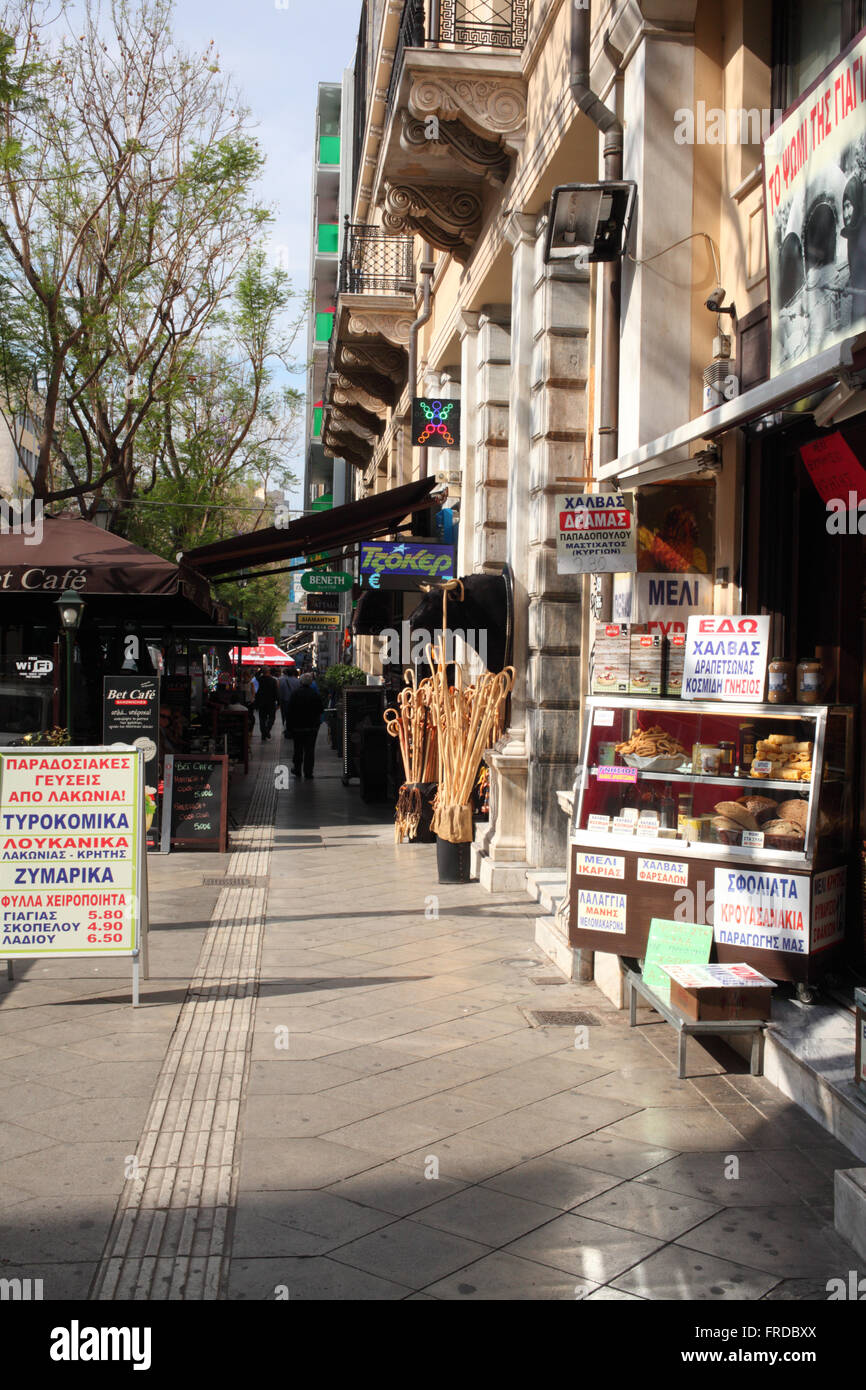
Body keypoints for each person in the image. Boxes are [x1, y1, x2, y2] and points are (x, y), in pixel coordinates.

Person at [286, 672, 324, 778]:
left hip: (297, 727)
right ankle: (308, 771)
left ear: (301, 682)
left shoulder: (295, 694)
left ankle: (297, 769)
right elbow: (320, 709)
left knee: (297, 749)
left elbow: (289, 711)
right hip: (311, 728)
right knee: (309, 750)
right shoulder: (314, 694)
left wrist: (289, 727)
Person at [253, 667, 279, 741]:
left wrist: (261, 669)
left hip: (261, 702)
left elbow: (256, 676)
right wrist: (279, 702)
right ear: (269, 672)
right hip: (271, 702)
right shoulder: (273, 680)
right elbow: (276, 692)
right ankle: (267, 730)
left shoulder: (260, 679)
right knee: (272, 718)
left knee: (262, 719)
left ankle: (263, 734)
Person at [278, 667, 301, 736]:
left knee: (285, 715)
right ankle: (293, 728)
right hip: (295, 701)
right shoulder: (298, 681)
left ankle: (287, 729)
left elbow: (280, 691)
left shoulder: (282, 680)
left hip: (285, 701)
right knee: (294, 715)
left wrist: (280, 700)